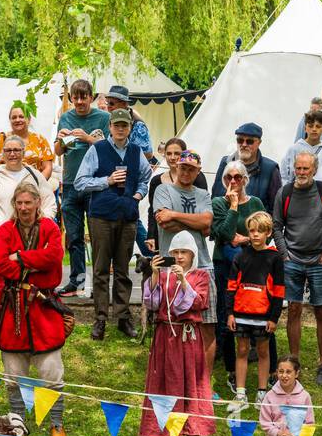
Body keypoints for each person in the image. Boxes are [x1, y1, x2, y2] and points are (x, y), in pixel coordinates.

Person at [0, 180, 67, 436]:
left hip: (43, 309)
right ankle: (18, 425)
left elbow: (55, 258)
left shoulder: (49, 228)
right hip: (12, 311)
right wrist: (35, 263)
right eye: (19, 203)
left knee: (51, 372)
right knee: (13, 375)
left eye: (28, 202)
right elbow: (0, 264)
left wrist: (20, 258)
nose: (23, 207)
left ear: (37, 204)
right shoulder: (4, 231)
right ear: (14, 204)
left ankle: (57, 426)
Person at [76, 109, 152, 341]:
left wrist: (138, 195)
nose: (120, 129)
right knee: (100, 270)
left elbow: (146, 176)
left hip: (128, 217)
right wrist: (106, 181)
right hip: (101, 216)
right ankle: (100, 318)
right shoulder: (97, 149)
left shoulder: (136, 151)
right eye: (117, 125)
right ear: (110, 126)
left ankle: (122, 317)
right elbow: (80, 182)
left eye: (125, 125)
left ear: (130, 127)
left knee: (122, 270)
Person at [140, 231, 215, 436]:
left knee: (190, 385)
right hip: (165, 339)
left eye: (184, 252)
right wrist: (154, 274)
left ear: (193, 254)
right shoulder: (162, 277)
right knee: (165, 386)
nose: (180, 256)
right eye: (176, 252)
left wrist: (183, 280)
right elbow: (152, 303)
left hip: (188, 338)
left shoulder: (200, 276)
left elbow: (198, 302)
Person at [273, 151, 322, 385]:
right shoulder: (284, 192)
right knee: (294, 309)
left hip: (319, 260)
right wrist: (284, 254)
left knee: (321, 309)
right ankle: (294, 362)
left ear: (314, 170)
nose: (301, 173)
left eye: (306, 169)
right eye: (298, 168)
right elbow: (276, 225)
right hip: (292, 259)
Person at [153, 149, 215, 364]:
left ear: (198, 171)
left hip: (202, 266)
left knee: (206, 326)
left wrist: (175, 214)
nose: (186, 172)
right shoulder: (163, 190)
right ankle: (176, 379)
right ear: (176, 167)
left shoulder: (203, 195)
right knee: (171, 324)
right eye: (183, 167)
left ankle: (203, 385)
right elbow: (164, 222)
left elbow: (207, 222)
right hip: (170, 265)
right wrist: (196, 225)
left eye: (191, 169)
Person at [211, 159, 267, 390]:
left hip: (253, 266)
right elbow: (223, 232)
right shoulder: (218, 203)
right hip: (225, 265)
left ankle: (260, 359)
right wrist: (233, 207)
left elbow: (266, 233)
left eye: (238, 177)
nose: (233, 181)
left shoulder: (255, 202)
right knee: (227, 314)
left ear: (245, 180)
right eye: (229, 177)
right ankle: (231, 369)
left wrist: (243, 239)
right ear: (224, 180)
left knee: (254, 312)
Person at [224, 211, 285, 412]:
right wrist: (230, 313)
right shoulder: (240, 257)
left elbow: (278, 291)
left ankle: (261, 392)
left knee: (263, 352)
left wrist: (274, 317)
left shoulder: (275, 258)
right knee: (241, 351)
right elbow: (231, 287)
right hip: (241, 314)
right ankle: (240, 393)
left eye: (260, 231)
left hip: (263, 316)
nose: (256, 234)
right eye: (252, 231)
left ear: (268, 232)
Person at [55, 80, 111, 296]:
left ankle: (99, 284)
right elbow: (59, 152)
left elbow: (110, 148)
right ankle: (76, 282)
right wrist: (62, 140)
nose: (79, 102)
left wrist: (87, 138)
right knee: (74, 236)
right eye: (75, 97)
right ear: (71, 98)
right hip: (70, 183)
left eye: (83, 97)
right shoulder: (65, 117)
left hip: (96, 183)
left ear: (91, 97)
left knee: (98, 236)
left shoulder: (103, 118)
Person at [0, 134, 54, 246]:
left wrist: (40, 225)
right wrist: (4, 226)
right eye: (8, 150)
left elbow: (49, 203)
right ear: (3, 153)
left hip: (32, 239)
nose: (12, 154)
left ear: (23, 152)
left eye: (16, 150)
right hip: (1, 237)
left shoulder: (35, 175)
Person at [260, 356, 322, 436]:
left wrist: (294, 434)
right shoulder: (269, 396)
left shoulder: (304, 396)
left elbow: (309, 423)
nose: (284, 375)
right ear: (276, 373)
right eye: (281, 371)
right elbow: (265, 423)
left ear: (297, 374)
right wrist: (279, 433)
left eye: (288, 372)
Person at [211, 123, 281, 212]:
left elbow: (276, 209)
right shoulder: (225, 163)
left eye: (249, 141)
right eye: (240, 140)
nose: (244, 144)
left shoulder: (270, 169)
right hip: (224, 222)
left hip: (254, 224)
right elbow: (214, 197)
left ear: (259, 143)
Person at [0, 104, 55, 179]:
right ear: (10, 120)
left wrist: (38, 183)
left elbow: (48, 167)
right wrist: (6, 183)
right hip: (6, 185)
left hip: (34, 186)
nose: (17, 120)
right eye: (14, 117)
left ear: (29, 119)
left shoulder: (40, 139)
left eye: (21, 117)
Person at [280, 110, 322, 186]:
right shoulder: (294, 149)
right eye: (310, 126)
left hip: (320, 195)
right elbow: (285, 177)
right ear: (305, 128)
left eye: (318, 126)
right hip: (297, 194)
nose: (314, 129)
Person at [100, 85, 155, 162]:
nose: (108, 107)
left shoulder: (138, 125)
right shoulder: (110, 119)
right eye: (107, 103)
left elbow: (148, 154)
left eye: (111, 103)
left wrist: (122, 158)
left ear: (124, 104)